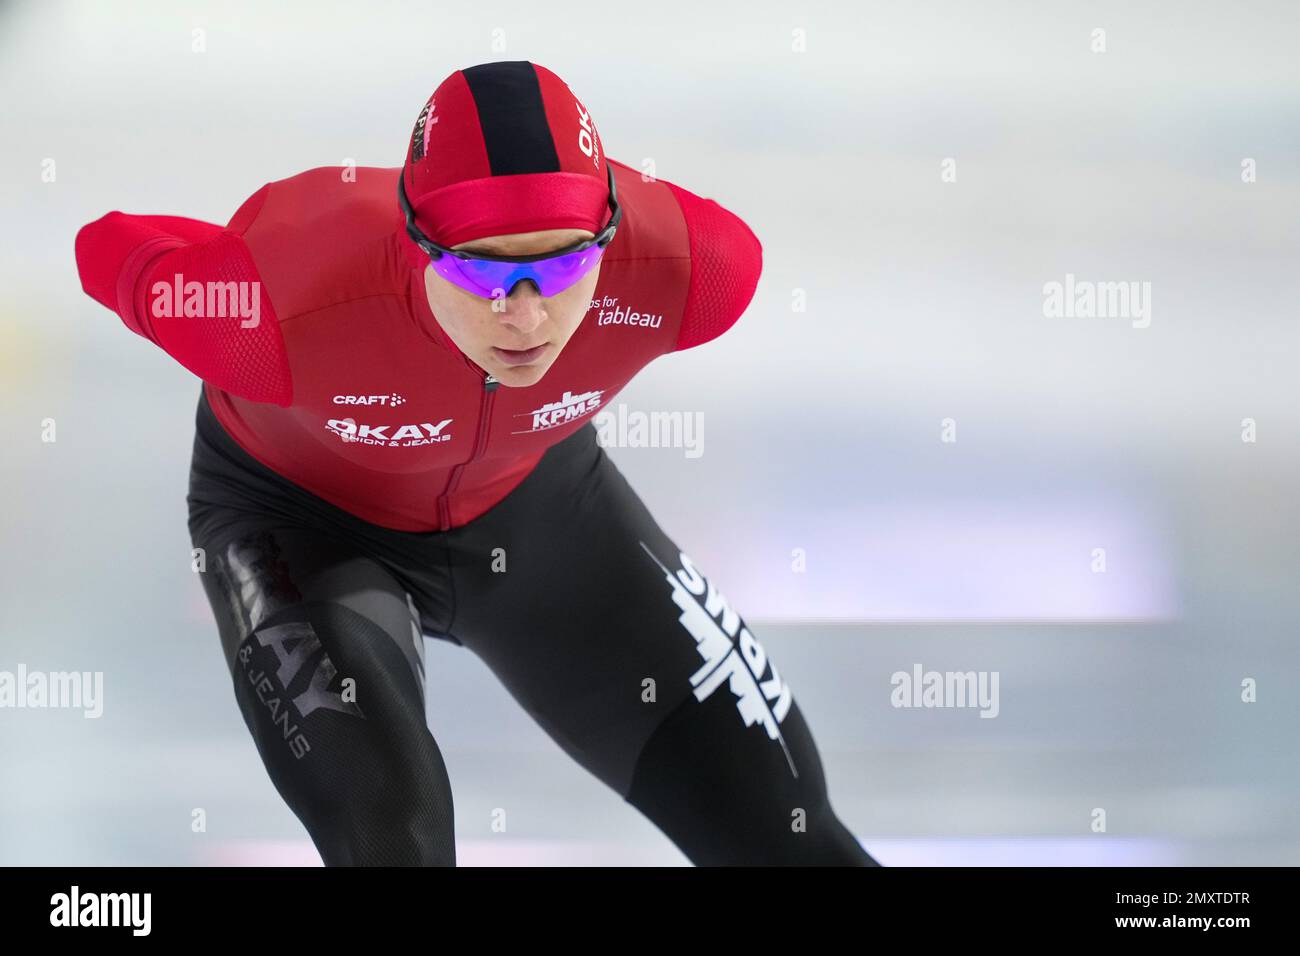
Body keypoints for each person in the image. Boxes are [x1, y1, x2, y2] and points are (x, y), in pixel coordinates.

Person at [74, 60, 877, 867]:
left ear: (610, 231)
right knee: (395, 836)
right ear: (415, 242)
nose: (526, 315)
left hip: (543, 514)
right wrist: (152, 279)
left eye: (562, 264)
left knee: (788, 833)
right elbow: (104, 246)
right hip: (299, 525)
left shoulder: (693, 271)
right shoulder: (269, 309)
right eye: (481, 268)